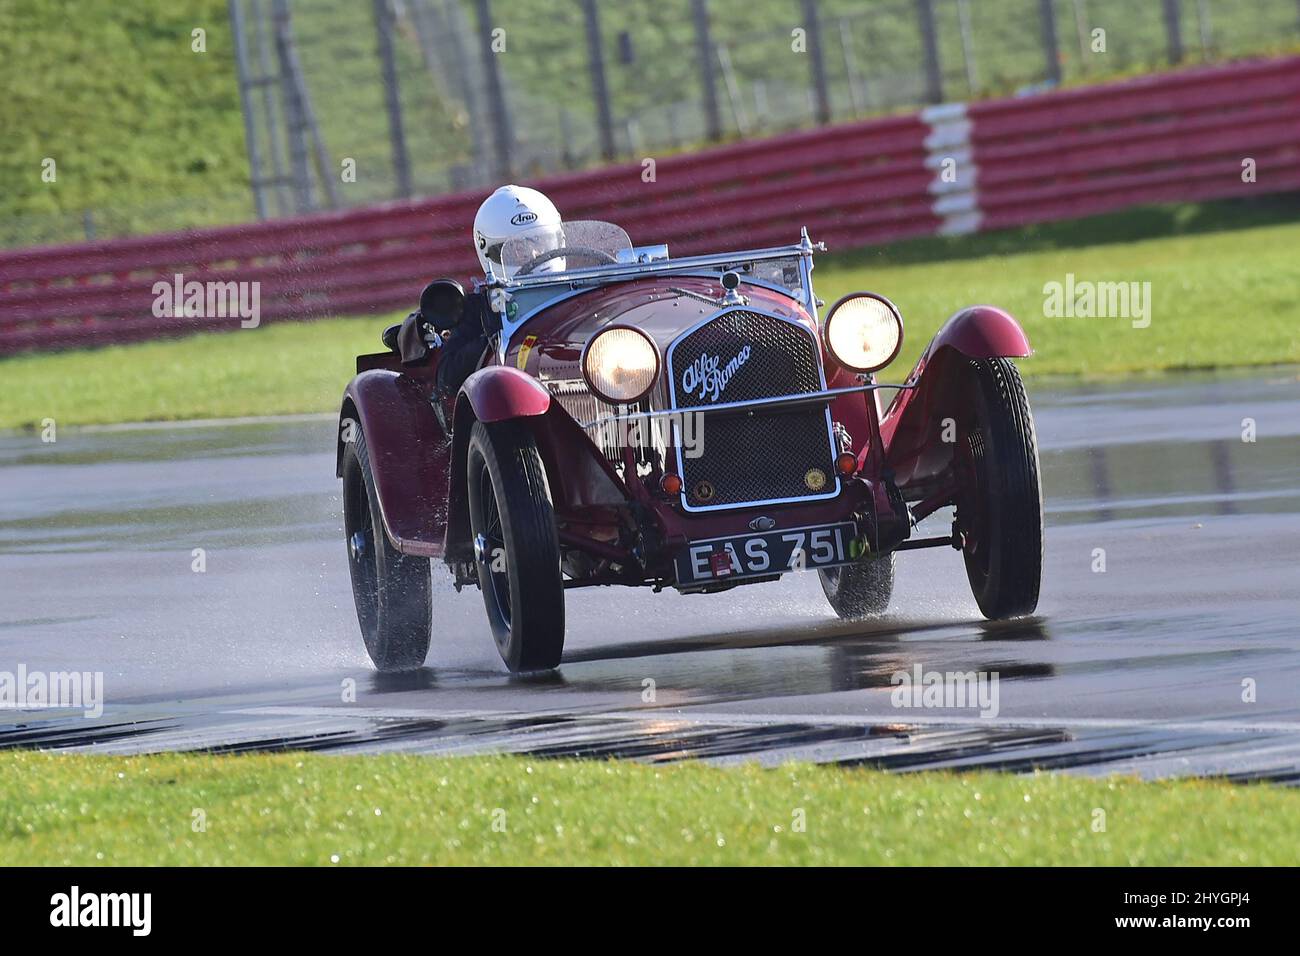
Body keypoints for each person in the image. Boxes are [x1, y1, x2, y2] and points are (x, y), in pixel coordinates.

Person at [396, 185, 564, 394]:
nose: (535, 254)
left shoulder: (583, 291)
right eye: (518, 249)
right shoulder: (481, 309)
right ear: (491, 252)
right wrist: (492, 338)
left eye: (541, 242)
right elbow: (447, 379)